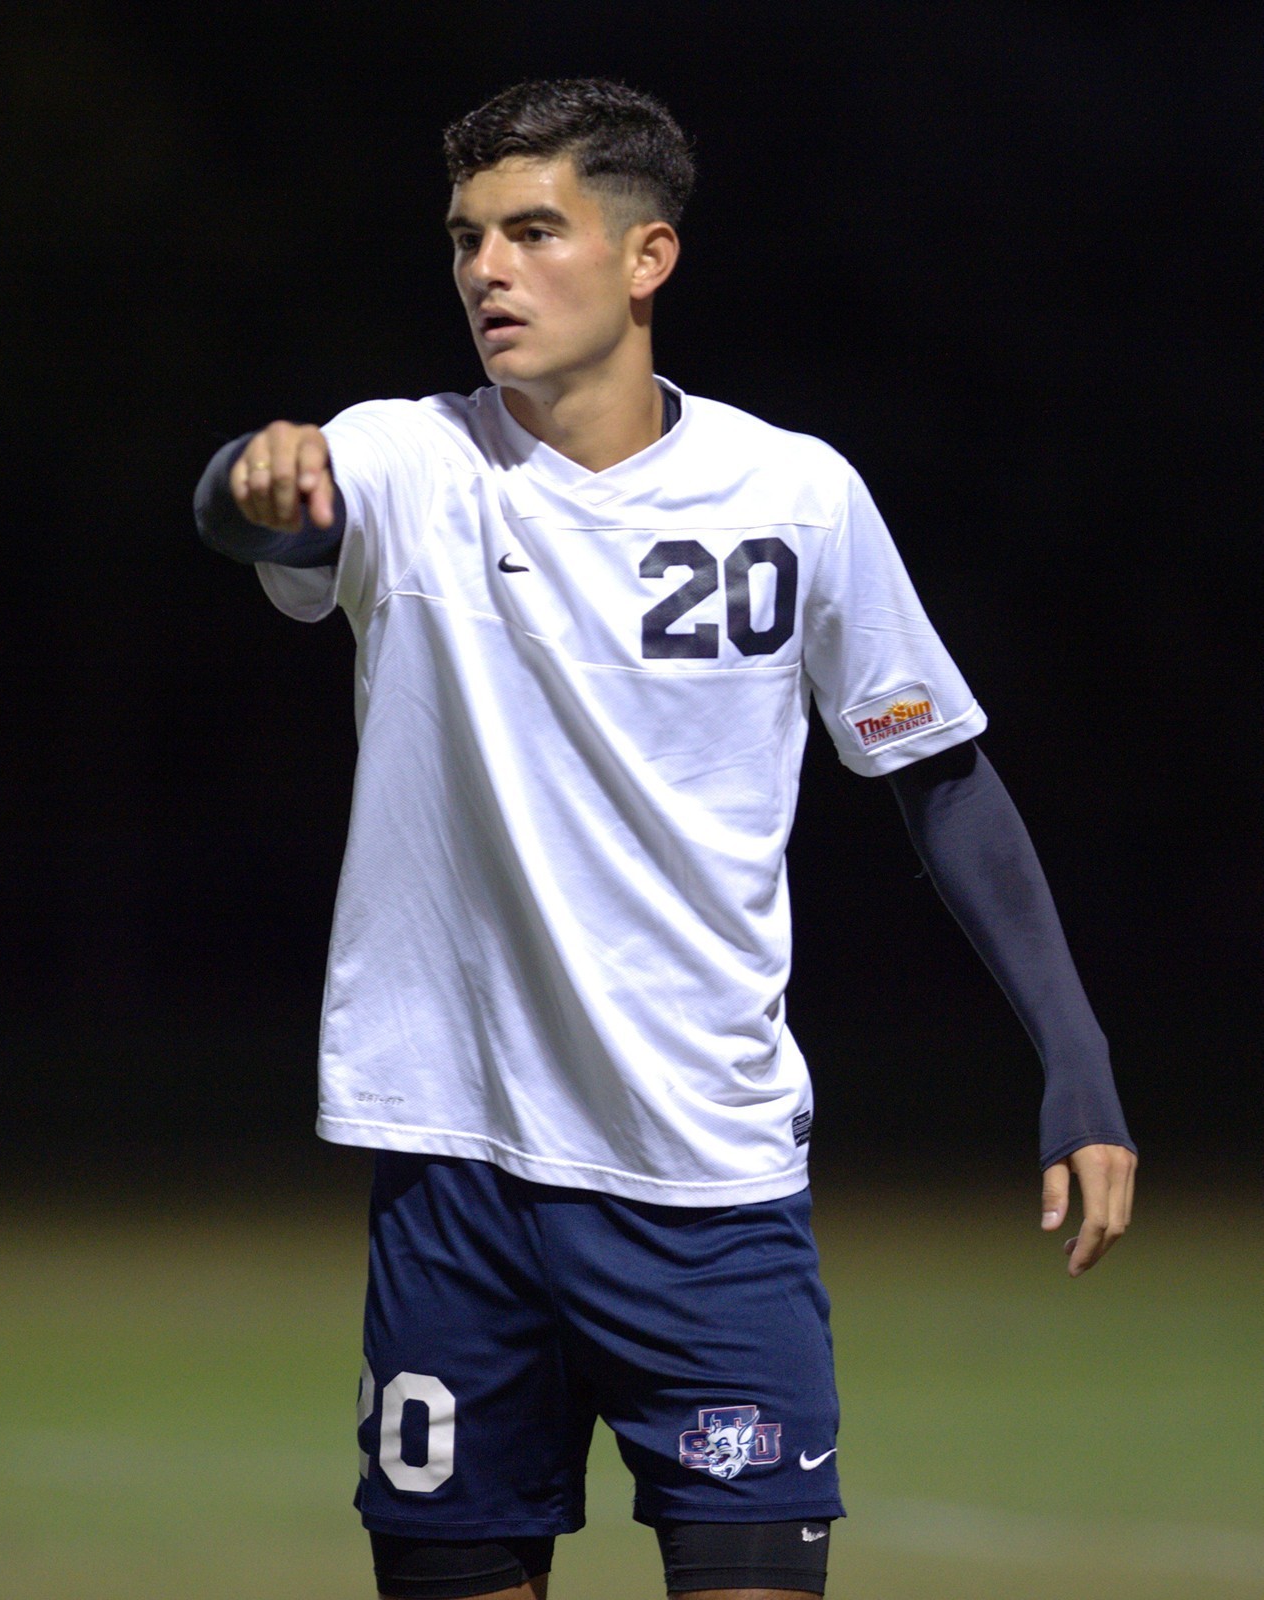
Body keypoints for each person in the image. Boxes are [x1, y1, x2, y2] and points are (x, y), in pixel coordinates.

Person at [194, 78, 1136, 1600]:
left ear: (647, 259)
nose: (488, 269)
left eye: (534, 230)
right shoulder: (405, 462)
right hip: (458, 1180)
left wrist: (1077, 1063)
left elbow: (942, 778)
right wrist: (256, 473)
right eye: (466, 237)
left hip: (709, 1190)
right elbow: (262, 512)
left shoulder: (794, 493)